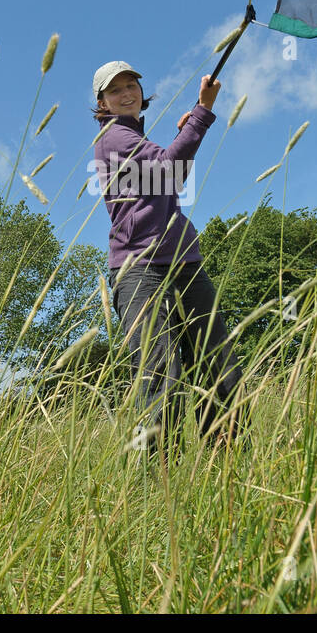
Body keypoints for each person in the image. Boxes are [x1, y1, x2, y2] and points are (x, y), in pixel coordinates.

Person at [91, 60, 248, 459]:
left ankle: (228, 468)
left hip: (185, 262)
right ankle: (159, 486)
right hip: (139, 268)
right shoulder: (112, 137)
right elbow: (167, 169)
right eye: (115, 91)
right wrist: (203, 112)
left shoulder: (138, 141)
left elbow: (170, 179)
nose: (127, 94)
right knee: (160, 375)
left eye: (132, 86)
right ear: (102, 104)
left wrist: (185, 133)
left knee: (219, 364)